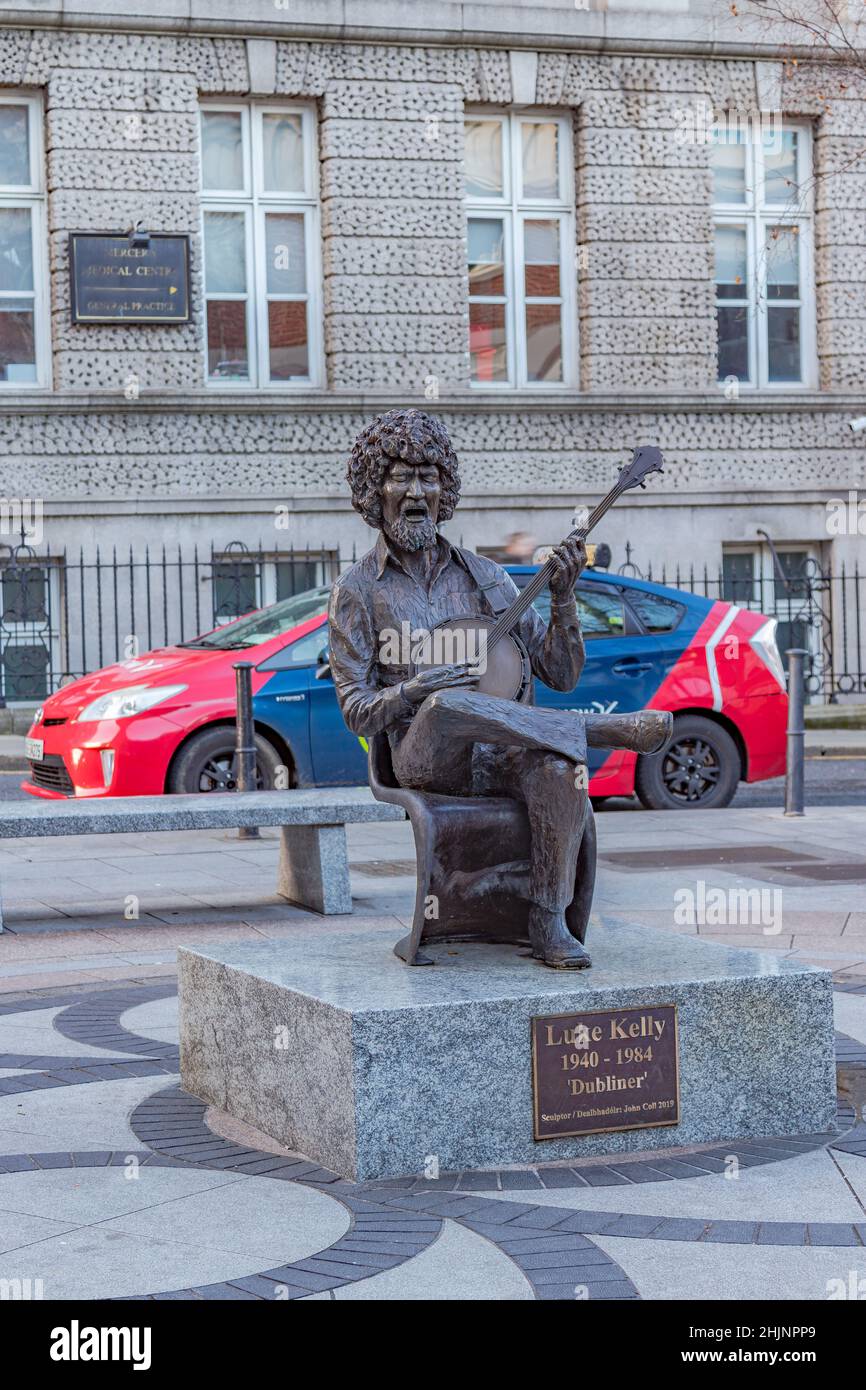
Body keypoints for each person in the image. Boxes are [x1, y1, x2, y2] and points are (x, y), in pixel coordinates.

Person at [328, 408, 669, 968]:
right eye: (400, 475)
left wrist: (562, 599)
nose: (417, 490)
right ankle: (597, 729)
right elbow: (357, 710)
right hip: (425, 753)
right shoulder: (358, 591)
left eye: (429, 475)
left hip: (503, 750)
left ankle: (548, 918)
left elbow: (560, 673)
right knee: (444, 704)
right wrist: (414, 692)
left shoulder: (486, 577)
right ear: (375, 492)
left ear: (445, 490)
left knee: (560, 768)